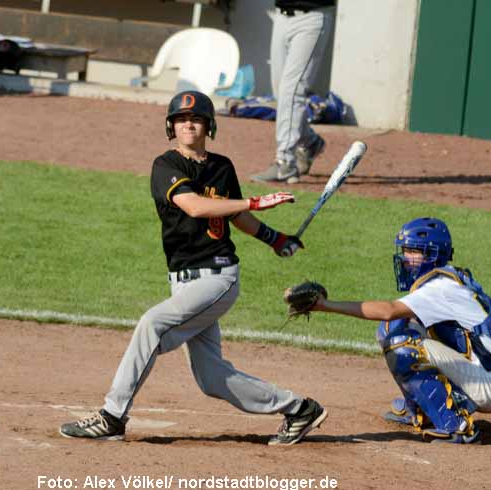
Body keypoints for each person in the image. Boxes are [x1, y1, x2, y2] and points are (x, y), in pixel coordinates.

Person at [60, 91, 327, 446]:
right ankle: (300, 409)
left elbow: (235, 215)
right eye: (181, 119)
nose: (189, 124)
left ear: (208, 126)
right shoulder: (165, 166)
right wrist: (256, 201)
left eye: (196, 119)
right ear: (171, 125)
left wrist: (274, 238)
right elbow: (196, 206)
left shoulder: (222, 166)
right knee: (212, 377)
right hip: (183, 284)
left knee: (151, 325)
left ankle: (112, 416)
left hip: (217, 277)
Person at [302, 217, 491, 444]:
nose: (405, 259)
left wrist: (324, 305)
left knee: (401, 345)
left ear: (432, 254)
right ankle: (422, 409)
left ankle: (456, 427)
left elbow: (388, 310)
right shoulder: (445, 278)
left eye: (413, 252)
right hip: (490, 374)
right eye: (405, 251)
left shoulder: (441, 288)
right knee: (395, 327)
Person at [251, 0, 336, 184]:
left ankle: (285, 163)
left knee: (292, 91)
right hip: (281, 16)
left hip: (312, 17)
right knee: (281, 94)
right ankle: (310, 141)